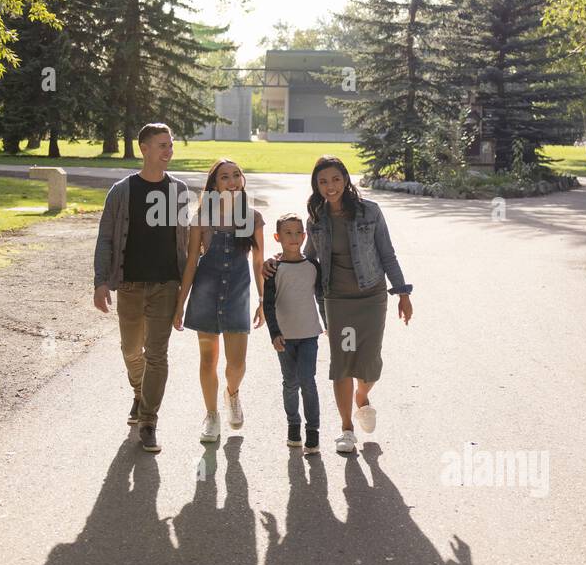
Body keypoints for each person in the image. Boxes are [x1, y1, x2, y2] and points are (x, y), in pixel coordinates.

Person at [263, 156, 413, 455]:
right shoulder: (317, 219)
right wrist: (277, 261)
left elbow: (387, 252)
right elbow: (307, 258)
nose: (329, 187)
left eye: (334, 179)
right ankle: (346, 429)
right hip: (337, 302)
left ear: (345, 179)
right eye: (322, 182)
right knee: (342, 364)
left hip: (372, 298)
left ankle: (362, 396)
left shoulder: (370, 211)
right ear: (316, 186)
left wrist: (402, 293)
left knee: (368, 366)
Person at [93, 123, 190, 454]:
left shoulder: (178, 191)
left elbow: (187, 240)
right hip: (130, 285)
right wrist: (100, 282)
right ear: (144, 148)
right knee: (131, 349)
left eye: (171, 145)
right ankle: (139, 392)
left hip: (166, 284)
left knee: (157, 354)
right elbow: (106, 238)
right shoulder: (122, 191)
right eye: (162, 145)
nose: (168, 151)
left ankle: (149, 421)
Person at [172, 158, 265, 443]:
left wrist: (264, 300)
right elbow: (191, 262)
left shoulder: (253, 217)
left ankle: (232, 393)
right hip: (206, 293)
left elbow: (259, 262)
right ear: (214, 185)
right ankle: (211, 415)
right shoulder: (201, 217)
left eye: (236, 175)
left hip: (238, 294)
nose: (232, 181)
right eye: (224, 177)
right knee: (208, 359)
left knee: (236, 365)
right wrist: (180, 304)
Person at [262, 212, 326, 456]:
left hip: (310, 333)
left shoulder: (312, 267)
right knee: (290, 383)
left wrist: (327, 322)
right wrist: (274, 333)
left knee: (308, 382)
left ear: (304, 235)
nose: (294, 237)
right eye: (287, 233)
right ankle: (293, 427)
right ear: (278, 237)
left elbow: (320, 297)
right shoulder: (273, 269)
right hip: (285, 338)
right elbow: (268, 304)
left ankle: (313, 432)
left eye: (298, 232)